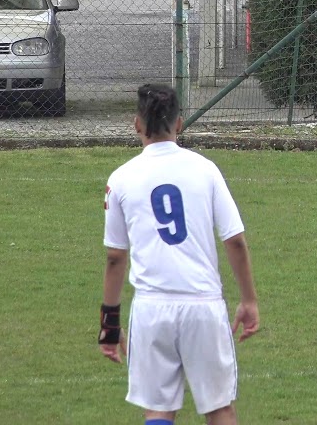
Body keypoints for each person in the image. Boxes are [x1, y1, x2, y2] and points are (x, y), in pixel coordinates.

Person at [100, 84, 260, 425]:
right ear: (180, 124)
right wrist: (248, 299)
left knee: (158, 409)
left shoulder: (121, 179)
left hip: (151, 309)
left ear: (136, 124)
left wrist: (109, 324)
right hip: (202, 306)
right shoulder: (206, 170)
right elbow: (234, 241)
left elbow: (115, 258)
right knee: (219, 408)